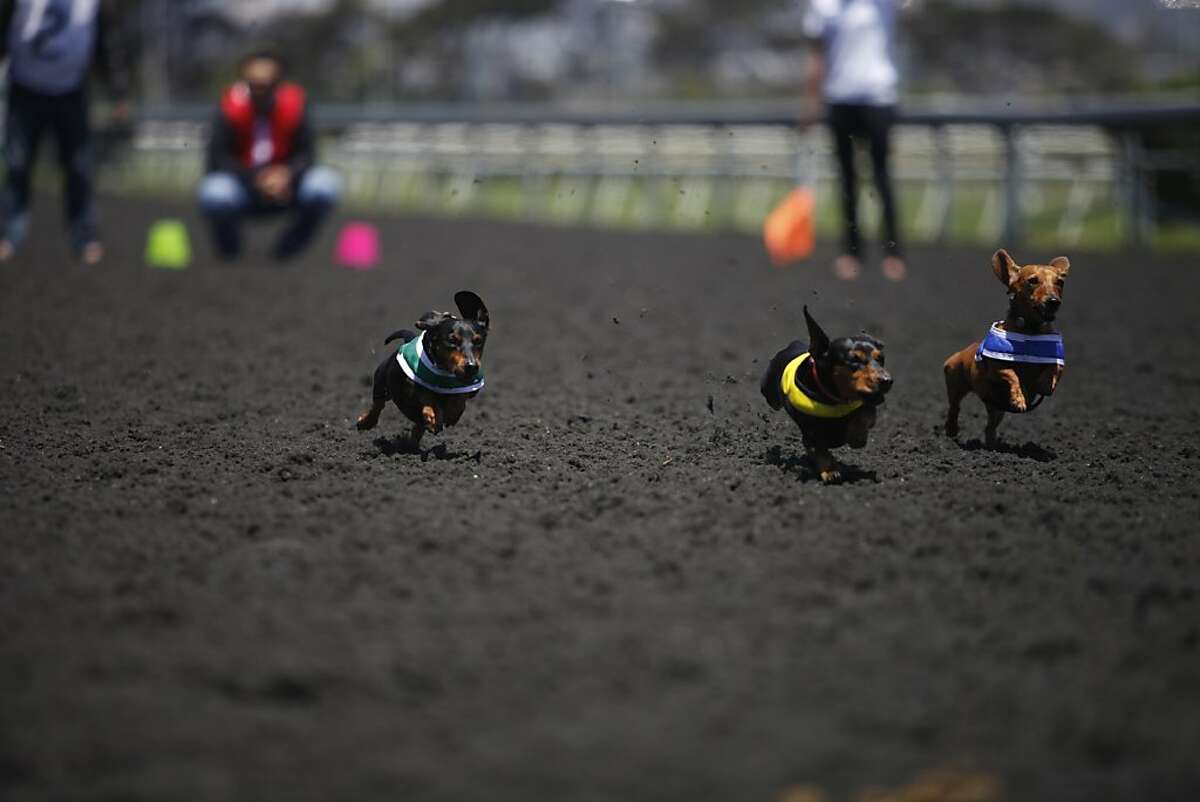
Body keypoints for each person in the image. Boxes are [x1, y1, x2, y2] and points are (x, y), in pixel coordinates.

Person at [0, 0, 130, 265]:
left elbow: (106, 42)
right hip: (25, 88)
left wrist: (117, 90)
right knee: (18, 164)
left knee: (79, 166)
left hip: (71, 90)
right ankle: (8, 236)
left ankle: (85, 237)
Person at [197, 50, 341, 261]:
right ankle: (229, 251)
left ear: (278, 84)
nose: (260, 91)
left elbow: (308, 154)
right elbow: (218, 158)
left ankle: (290, 248)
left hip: (287, 186)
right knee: (215, 190)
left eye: (267, 84)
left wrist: (286, 174)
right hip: (243, 185)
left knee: (324, 184)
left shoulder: (296, 107)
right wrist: (257, 178)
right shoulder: (228, 108)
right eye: (254, 84)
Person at [803, 0, 907, 281]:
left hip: (878, 97)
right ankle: (851, 252)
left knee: (881, 177)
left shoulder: (881, 4)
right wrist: (811, 102)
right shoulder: (823, 6)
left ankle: (893, 253)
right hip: (839, 98)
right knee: (847, 179)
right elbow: (816, 55)